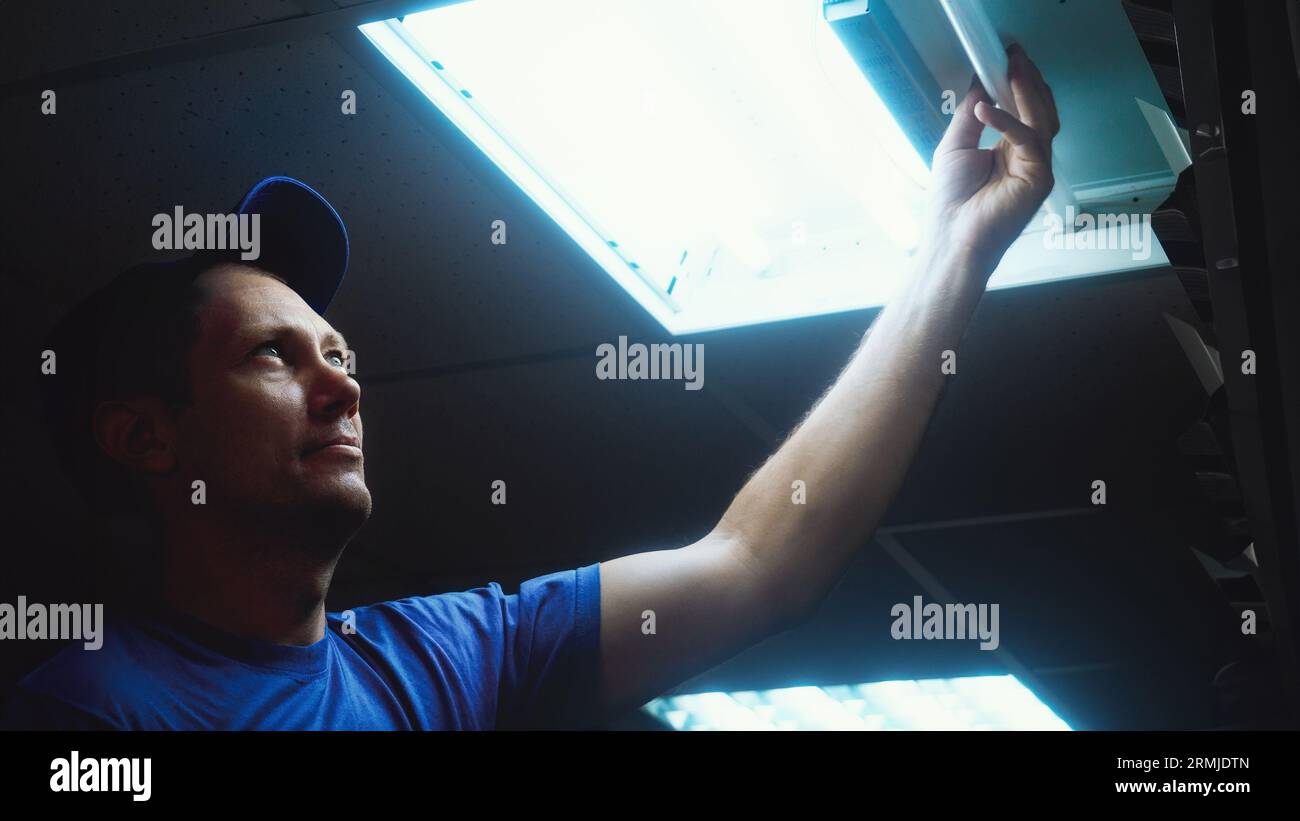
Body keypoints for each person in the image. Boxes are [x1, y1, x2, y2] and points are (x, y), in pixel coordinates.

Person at [2, 45, 1059, 730]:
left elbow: (757, 560)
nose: (340, 386)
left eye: (342, 355)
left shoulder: (445, 657)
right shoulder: (93, 717)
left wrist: (951, 250)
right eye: (274, 356)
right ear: (145, 437)